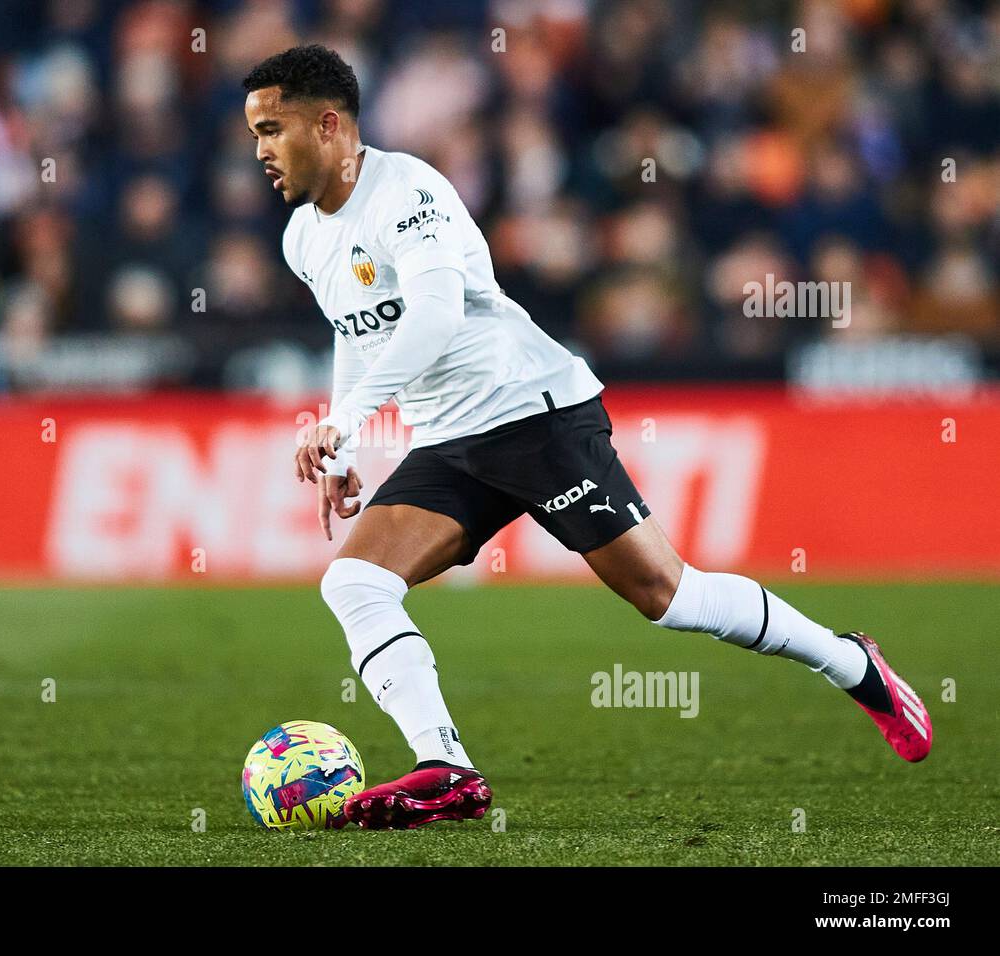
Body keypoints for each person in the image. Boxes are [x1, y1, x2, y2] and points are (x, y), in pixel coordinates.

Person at [242, 45, 932, 830]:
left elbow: (433, 316)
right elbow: (353, 333)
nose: (260, 150)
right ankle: (447, 766)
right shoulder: (304, 237)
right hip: (451, 443)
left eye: (272, 129)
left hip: (536, 415)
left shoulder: (409, 191)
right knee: (354, 582)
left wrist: (346, 418)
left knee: (667, 597)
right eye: (255, 134)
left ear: (328, 125)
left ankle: (852, 664)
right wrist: (343, 442)